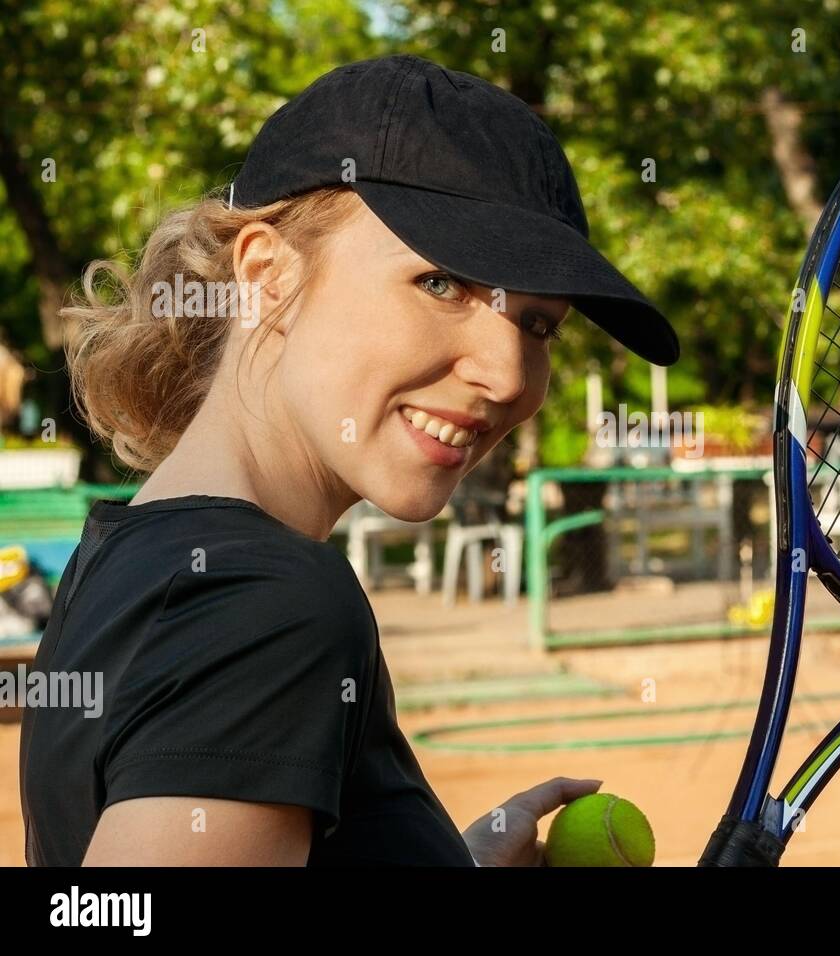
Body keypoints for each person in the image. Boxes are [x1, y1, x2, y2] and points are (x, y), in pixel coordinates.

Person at [19, 54, 677, 866]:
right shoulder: (271, 605)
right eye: (441, 283)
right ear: (265, 276)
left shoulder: (124, 561)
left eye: (539, 327)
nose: (507, 374)